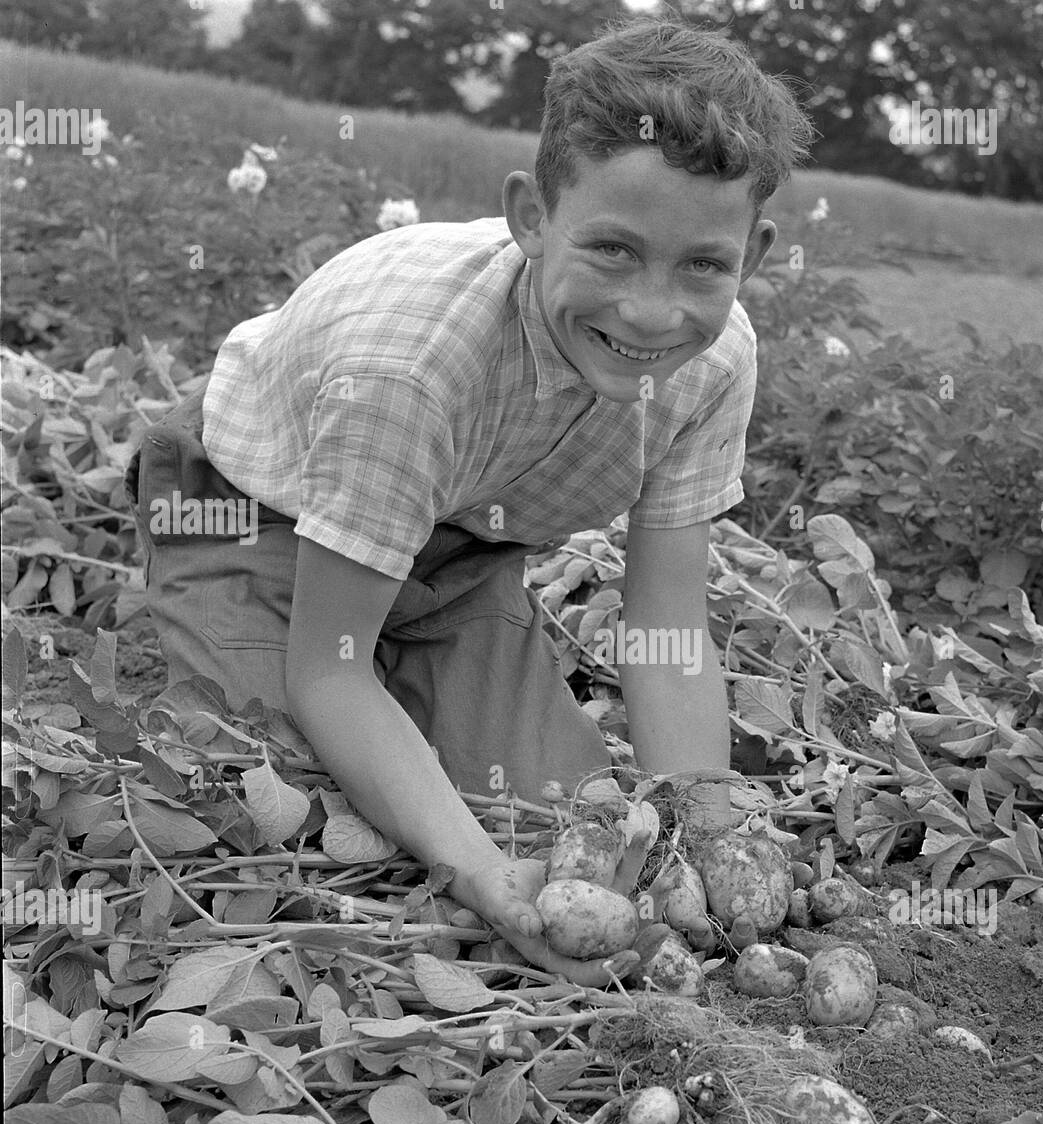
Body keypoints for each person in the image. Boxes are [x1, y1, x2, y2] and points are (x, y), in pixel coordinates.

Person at [127, 14, 814, 956]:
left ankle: (419, 664)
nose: (654, 310)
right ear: (531, 216)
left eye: (704, 264)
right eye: (612, 249)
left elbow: (667, 628)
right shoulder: (412, 368)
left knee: (556, 822)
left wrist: (710, 826)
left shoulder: (715, 361)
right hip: (257, 511)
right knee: (276, 803)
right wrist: (479, 878)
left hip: (457, 551)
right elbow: (329, 664)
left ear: (757, 254)